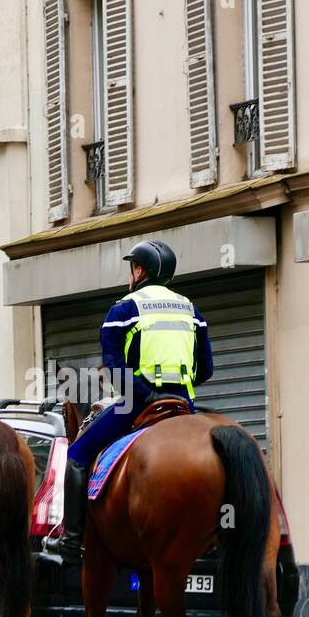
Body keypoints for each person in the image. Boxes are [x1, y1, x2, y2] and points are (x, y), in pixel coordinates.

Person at [43, 240, 213, 563]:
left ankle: (72, 540)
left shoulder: (124, 309)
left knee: (77, 455)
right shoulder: (192, 310)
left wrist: (146, 393)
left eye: (132, 267)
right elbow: (205, 369)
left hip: (139, 403)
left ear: (139, 270)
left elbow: (113, 368)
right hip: (184, 407)